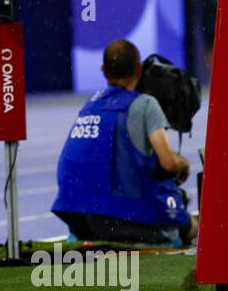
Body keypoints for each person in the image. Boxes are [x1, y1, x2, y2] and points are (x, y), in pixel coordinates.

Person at [51, 39, 194, 247]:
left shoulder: (90, 105)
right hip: (133, 221)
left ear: (103, 70)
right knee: (193, 227)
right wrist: (184, 164)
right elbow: (169, 164)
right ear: (138, 69)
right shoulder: (145, 104)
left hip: (85, 222)